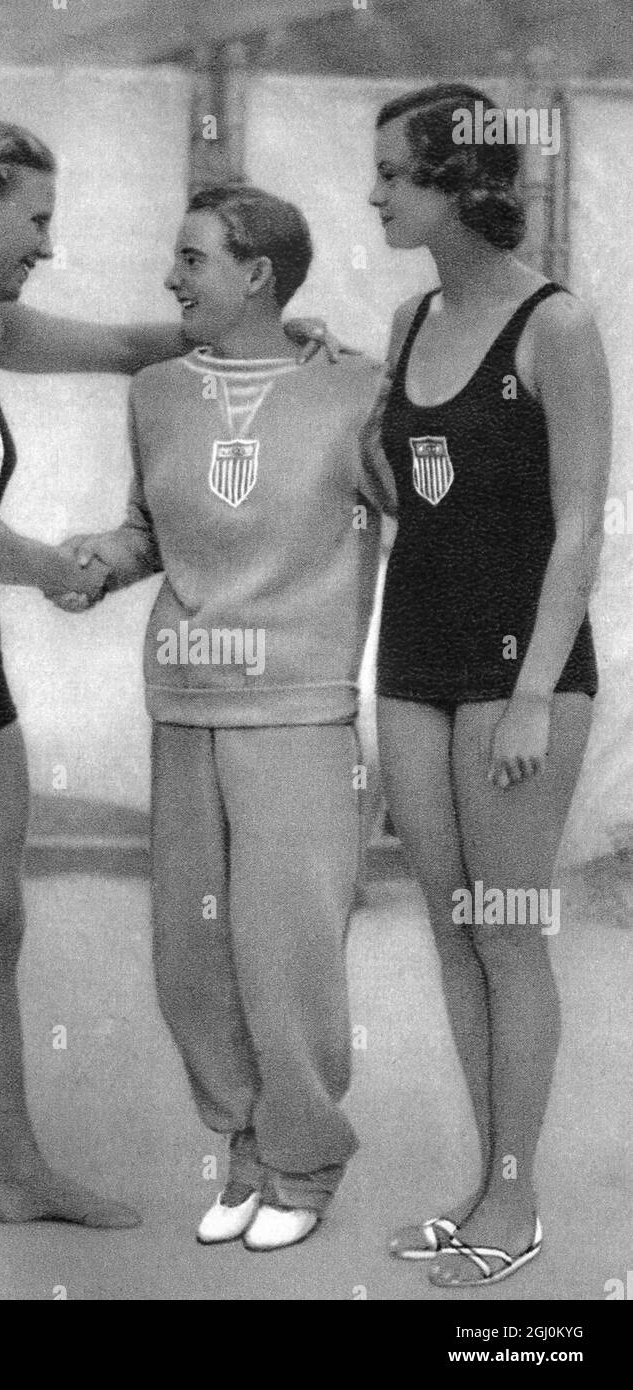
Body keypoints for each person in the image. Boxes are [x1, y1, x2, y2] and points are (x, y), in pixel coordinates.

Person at [0, 119, 338, 1282]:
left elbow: (127, 344)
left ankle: (19, 1170)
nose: (48, 243)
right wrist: (79, 566)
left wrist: (273, 336)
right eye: (34, 219)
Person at [61, 183, 391, 1251]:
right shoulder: (156, 391)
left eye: (192, 258)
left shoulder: (360, 393)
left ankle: (306, 1158)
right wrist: (98, 562)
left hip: (299, 710)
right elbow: (145, 529)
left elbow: (435, 519)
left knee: (284, 951)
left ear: (258, 275)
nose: (170, 277)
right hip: (184, 699)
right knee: (188, 959)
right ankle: (247, 1142)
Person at [366, 84, 611, 1286]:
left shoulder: (556, 324)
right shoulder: (412, 318)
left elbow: (579, 528)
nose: (374, 195)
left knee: (509, 931)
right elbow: (399, 482)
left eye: (395, 177)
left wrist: (528, 694)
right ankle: (482, 1178)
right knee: (453, 927)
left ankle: (516, 1195)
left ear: (462, 184)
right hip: (412, 657)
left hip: (525, 669)